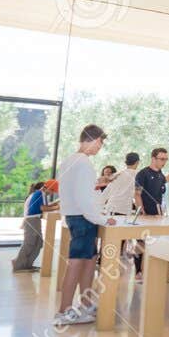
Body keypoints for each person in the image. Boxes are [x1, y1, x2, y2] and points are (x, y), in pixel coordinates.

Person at [55, 125, 116, 324]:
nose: (100, 147)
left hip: (74, 216)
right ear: (93, 139)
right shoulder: (84, 164)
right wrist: (103, 219)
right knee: (77, 262)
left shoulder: (68, 161)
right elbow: (84, 200)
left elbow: (73, 193)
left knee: (90, 259)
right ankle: (64, 311)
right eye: (100, 143)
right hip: (83, 218)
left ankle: (86, 304)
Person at [134, 147, 169, 217]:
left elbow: (166, 179)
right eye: (162, 159)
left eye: (166, 159)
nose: (164, 162)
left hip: (158, 214)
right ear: (153, 159)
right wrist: (142, 212)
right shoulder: (143, 174)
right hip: (146, 214)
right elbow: (137, 194)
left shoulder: (159, 173)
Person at [12, 180, 47, 272]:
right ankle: (18, 264)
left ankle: (27, 265)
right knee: (29, 243)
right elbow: (42, 208)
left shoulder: (37, 195)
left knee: (38, 243)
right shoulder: (38, 194)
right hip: (32, 221)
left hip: (34, 220)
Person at [101, 152, 140, 217]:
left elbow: (105, 193)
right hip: (124, 210)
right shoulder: (139, 175)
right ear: (137, 162)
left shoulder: (117, 175)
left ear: (126, 162)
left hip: (110, 208)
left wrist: (100, 209)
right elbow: (138, 194)